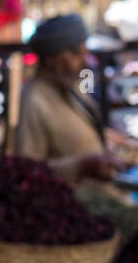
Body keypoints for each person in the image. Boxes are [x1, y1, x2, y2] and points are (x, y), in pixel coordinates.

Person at [14, 13, 124, 184]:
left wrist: (123, 142)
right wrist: (79, 167)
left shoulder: (69, 86)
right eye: (76, 54)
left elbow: (77, 128)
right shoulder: (34, 101)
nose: (85, 62)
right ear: (51, 59)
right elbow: (26, 169)